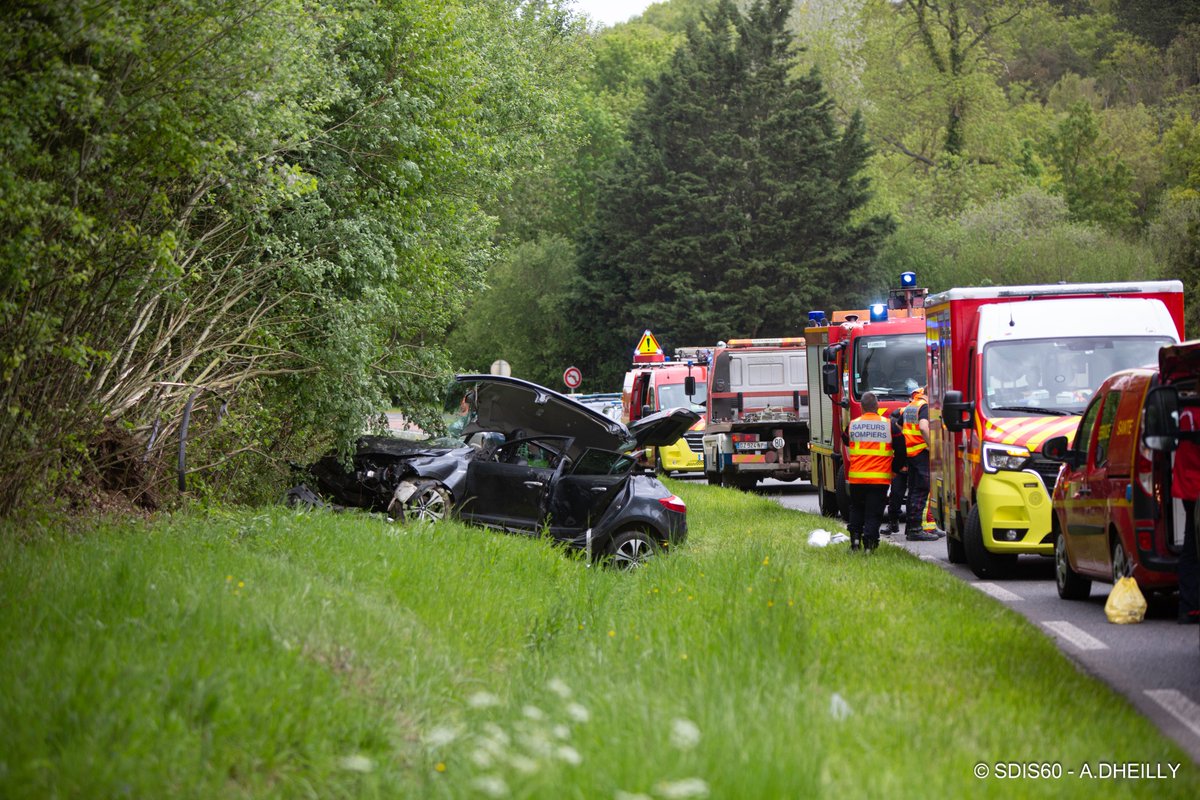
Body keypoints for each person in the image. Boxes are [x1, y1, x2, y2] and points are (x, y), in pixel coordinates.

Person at [846, 392, 900, 552]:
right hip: (879, 479)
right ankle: (869, 544)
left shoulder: (853, 424)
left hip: (857, 479)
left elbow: (844, 438)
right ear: (877, 406)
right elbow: (902, 447)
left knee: (856, 508)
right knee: (873, 513)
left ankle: (855, 541)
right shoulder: (889, 425)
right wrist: (895, 469)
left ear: (861, 407)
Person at [901, 382, 941, 541]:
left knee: (913, 491)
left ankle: (911, 527)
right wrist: (932, 447)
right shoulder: (924, 406)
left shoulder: (912, 405)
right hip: (921, 452)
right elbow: (924, 427)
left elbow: (900, 425)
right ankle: (916, 529)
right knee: (921, 491)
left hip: (911, 453)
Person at [1175, 406, 1199, 625]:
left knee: (1191, 547)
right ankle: (1190, 606)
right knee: (1192, 548)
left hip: (1190, 489)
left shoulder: (1187, 414)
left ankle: (1190, 607)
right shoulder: (1191, 415)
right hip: (1194, 489)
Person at [882, 405, 907, 536]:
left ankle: (913, 526)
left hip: (914, 460)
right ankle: (893, 522)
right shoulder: (900, 415)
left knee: (915, 495)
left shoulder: (911, 413)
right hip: (902, 463)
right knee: (896, 495)